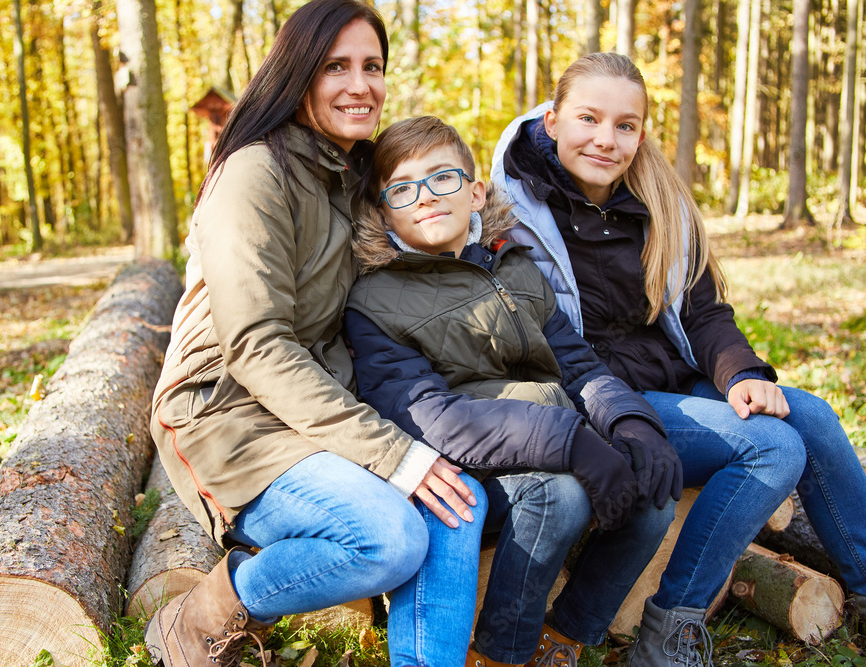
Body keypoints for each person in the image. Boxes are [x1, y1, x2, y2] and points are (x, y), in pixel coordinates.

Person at [491, 51, 866, 667]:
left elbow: (702, 308)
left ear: (642, 133)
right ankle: (670, 628)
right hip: (597, 398)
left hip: (672, 379)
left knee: (815, 418)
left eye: (625, 125)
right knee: (774, 448)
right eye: (588, 118)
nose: (606, 140)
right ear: (552, 121)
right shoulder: (510, 211)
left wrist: (741, 373)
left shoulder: (655, 198)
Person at [146, 3, 485, 667]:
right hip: (226, 415)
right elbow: (257, 346)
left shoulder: (355, 173)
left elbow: (429, 235)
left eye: (373, 67)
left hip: (320, 402)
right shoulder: (254, 174)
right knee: (388, 538)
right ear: (299, 75)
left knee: (455, 502)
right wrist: (393, 454)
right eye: (337, 67)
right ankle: (205, 614)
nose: (361, 85)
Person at [344, 115, 682, 667]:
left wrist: (630, 422)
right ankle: (502, 653)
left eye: (443, 178)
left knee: (654, 495)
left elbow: (578, 364)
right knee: (559, 496)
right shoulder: (374, 302)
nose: (426, 196)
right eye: (402, 189)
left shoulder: (514, 265)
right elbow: (433, 418)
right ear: (384, 213)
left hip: (552, 436)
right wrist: (571, 441)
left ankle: (567, 635)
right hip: (465, 469)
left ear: (476, 192)